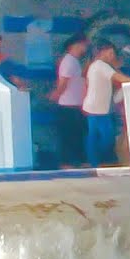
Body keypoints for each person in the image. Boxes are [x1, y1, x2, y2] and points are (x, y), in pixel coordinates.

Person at [82, 41, 130, 168]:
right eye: (110, 52)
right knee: (105, 137)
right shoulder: (101, 66)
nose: (112, 56)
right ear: (102, 52)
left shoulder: (96, 66)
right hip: (97, 108)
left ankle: (95, 161)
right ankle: (96, 161)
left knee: (96, 135)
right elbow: (120, 78)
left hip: (98, 107)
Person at [48, 34, 88, 168]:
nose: (84, 48)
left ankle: (75, 160)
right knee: (68, 135)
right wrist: (56, 94)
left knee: (76, 134)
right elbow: (64, 82)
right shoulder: (69, 61)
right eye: (82, 45)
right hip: (68, 105)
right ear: (74, 46)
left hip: (74, 104)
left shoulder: (74, 61)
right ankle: (67, 162)